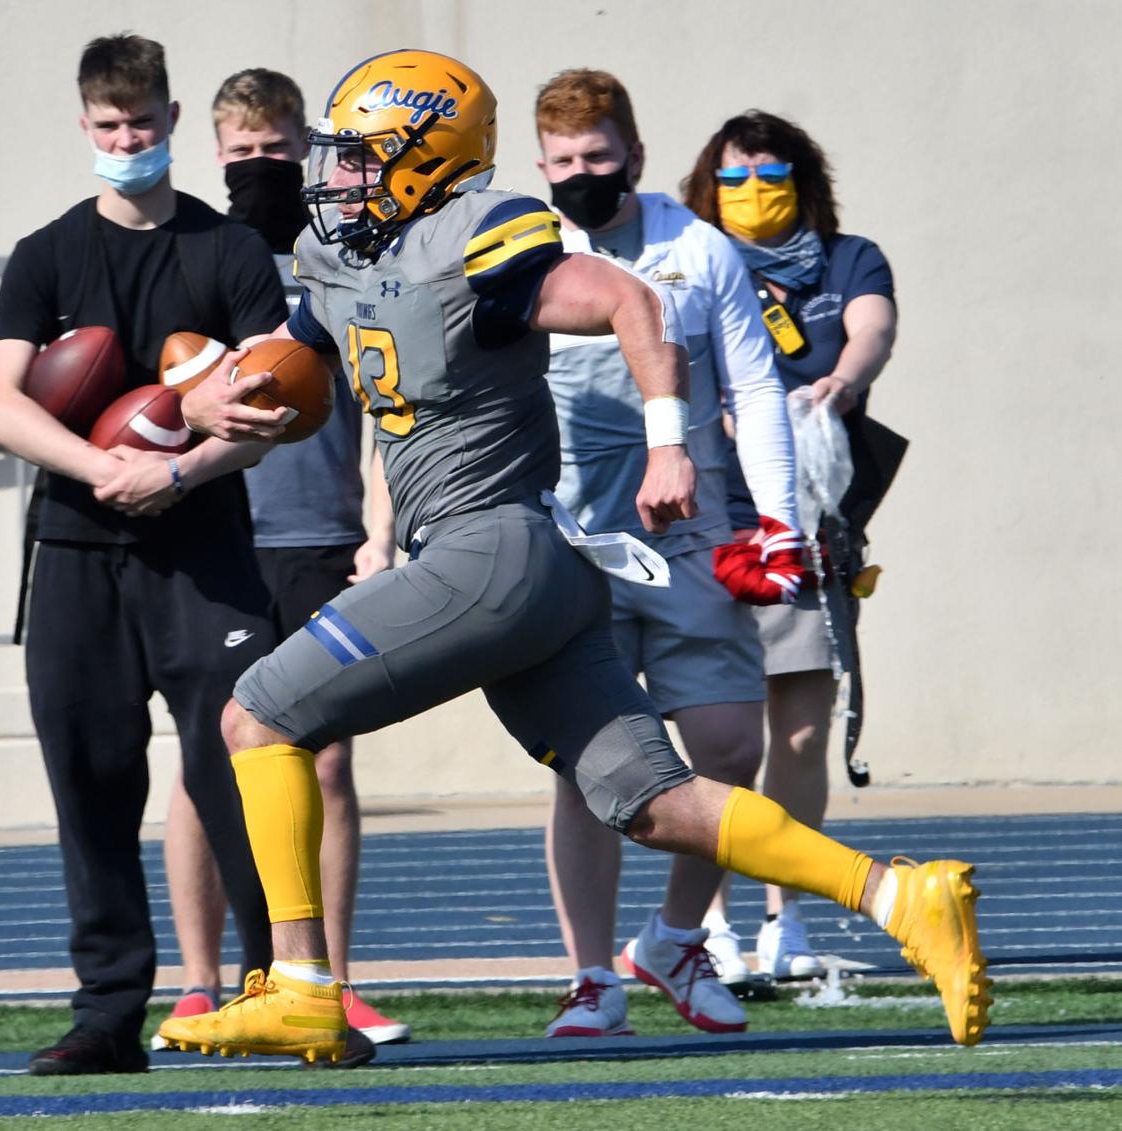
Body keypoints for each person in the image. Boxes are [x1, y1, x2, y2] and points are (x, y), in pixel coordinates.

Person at [157, 49, 988, 1065]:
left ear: (423, 159)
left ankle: (301, 986)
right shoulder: (338, 262)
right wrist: (192, 429)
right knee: (654, 803)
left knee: (259, 714)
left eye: (360, 160)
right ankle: (906, 896)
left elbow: (634, 305)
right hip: (527, 577)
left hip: (492, 548)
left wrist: (670, 437)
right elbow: (273, 394)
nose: (335, 180)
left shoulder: (479, 230)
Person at [0, 33, 287, 1075]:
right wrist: (101, 466)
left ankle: (270, 992)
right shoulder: (48, 254)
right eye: (108, 127)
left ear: (170, 119)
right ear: (85, 128)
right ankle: (110, 1013)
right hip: (74, 551)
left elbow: (271, 403)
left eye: (142, 124)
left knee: (240, 766)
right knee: (92, 778)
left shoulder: (227, 251)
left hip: (203, 552)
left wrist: (175, 471)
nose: (126, 141)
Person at [531, 69, 800, 1038]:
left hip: (691, 532)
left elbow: (758, 388)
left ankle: (677, 939)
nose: (581, 175)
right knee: (583, 767)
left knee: (731, 745)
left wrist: (777, 521)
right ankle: (591, 975)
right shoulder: (526, 251)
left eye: (598, 157)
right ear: (540, 166)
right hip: (574, 543)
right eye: (563, 161)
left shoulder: (700, 248)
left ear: (635, 157)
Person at [149, 66, 409, 1050]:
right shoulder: (191, 259)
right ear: (214, 153)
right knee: (201, 762)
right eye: (243, 152)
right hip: (216, 539)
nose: (260, 165)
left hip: (320, 537)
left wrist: (380, 536)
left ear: (309, 149)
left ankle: (328, 980)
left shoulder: (343, 257)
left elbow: (386, 412)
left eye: (277, 149)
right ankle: (200, 979)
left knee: (329, 763)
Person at [682, 111, 899, 981]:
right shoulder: (691, 256)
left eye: (771, 176)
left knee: (801, 734)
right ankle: (707, 921)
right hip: (707, 518)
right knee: (716, 736)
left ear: (805, 181)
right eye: (734, 179)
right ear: (708, 186)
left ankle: (789, 913)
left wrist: (839, 386)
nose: (753, 195)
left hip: (807, 521)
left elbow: (872, 330)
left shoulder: (847, 258)